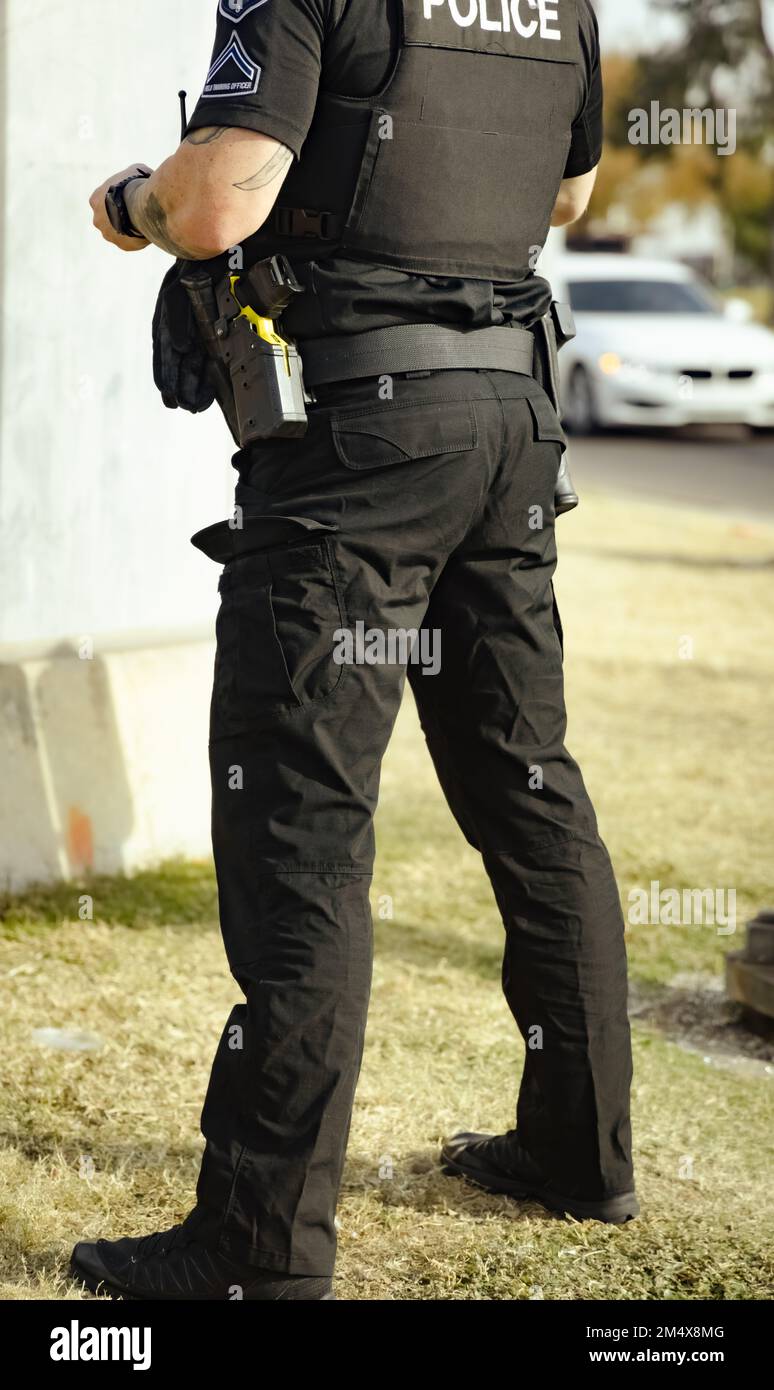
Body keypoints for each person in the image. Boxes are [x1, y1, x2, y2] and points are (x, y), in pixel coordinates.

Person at [75, 0, 637, 1303]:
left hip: (362, 443)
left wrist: (129, 200)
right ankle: (578, 1148)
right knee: (527, 784)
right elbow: (569, 190)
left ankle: (258, 1242)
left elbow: (219, 198)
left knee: (300, 813)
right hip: (508, 417)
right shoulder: (558, 5)